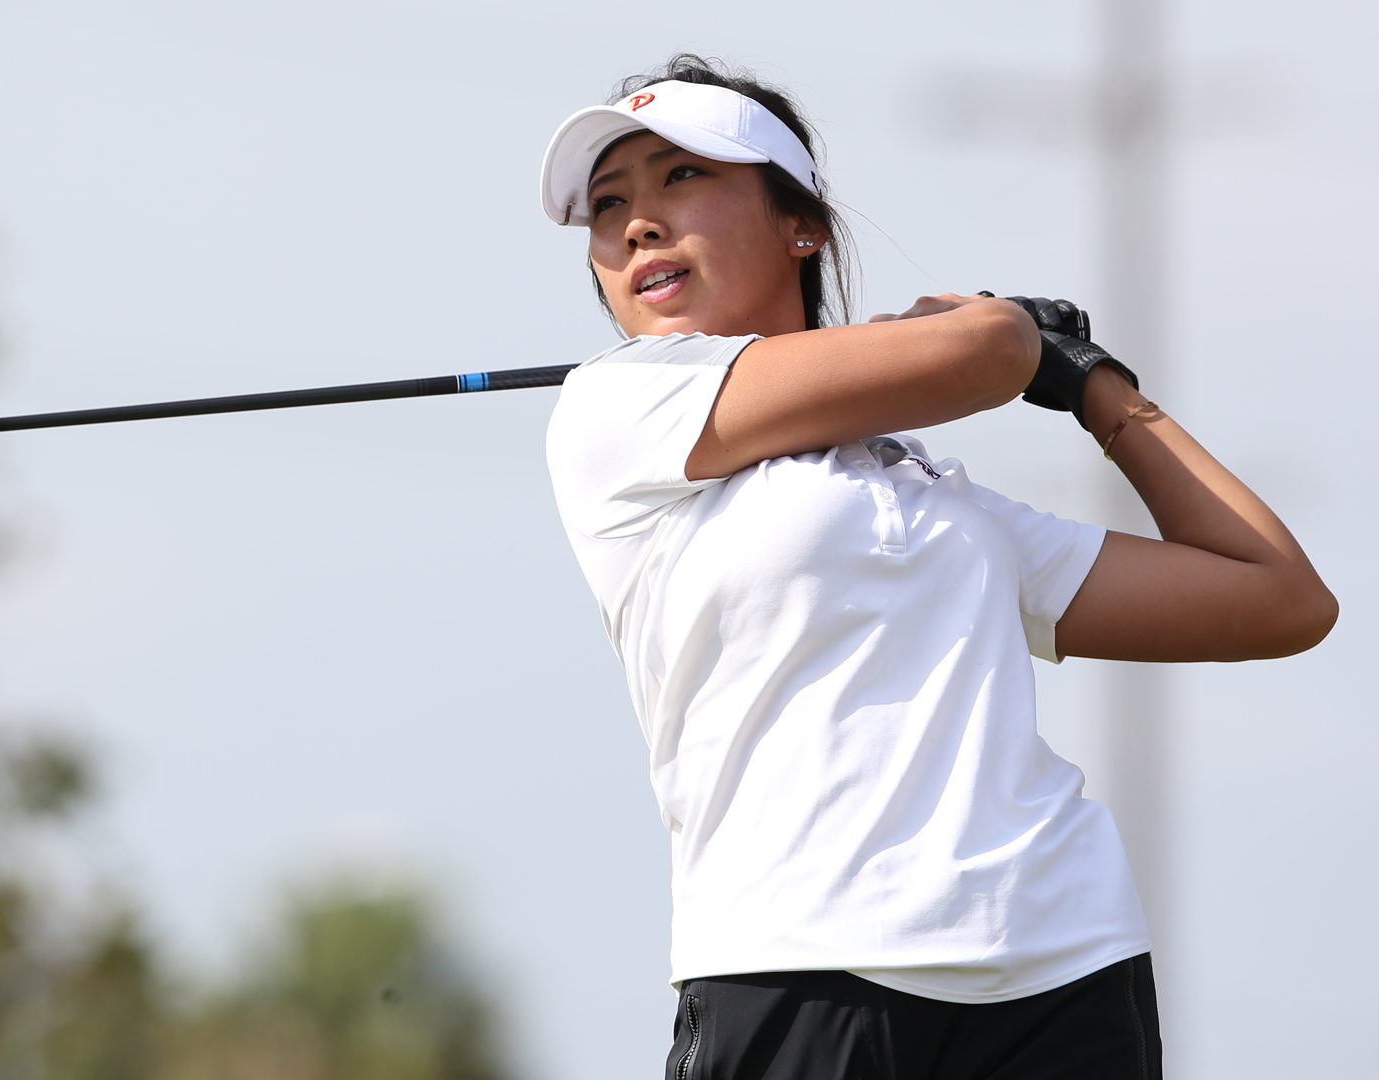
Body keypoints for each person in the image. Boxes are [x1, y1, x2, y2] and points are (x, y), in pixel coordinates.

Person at [539, 55, 1336, 1079]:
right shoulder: (618, 409)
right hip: (794, 967)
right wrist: (986, 332)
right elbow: (993, 350)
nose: (638, 223)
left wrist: (1101, 394)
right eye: (609, 206)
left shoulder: (940, 502)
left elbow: (1276, 597)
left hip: (1062, 963)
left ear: (803, 224)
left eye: (682, 178)